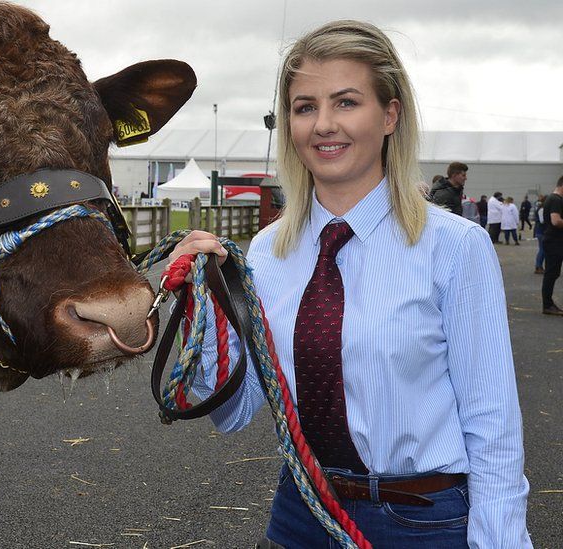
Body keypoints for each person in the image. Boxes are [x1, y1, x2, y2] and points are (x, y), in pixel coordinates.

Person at [170, 20, 531, 547]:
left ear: (389, 114)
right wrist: (206, 311)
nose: (323, 125)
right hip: (301, 512)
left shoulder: (455, 247)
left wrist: (500, 539)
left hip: (422, 522)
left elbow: (492, 421)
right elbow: (235, 409)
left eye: (345, 102)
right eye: (305, 107)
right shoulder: (267, 253)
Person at [541, 176, 563, 315]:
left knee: (552, 273)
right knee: (551, 273)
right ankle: (547, 305)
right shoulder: (555, 199)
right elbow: (556, 221)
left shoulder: (554, 199)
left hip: (555, 241)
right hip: (554, 241)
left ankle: (548, 304)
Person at [534, 195, 546, 274]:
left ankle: (539, 266)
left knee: (543, 249)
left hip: (540, 231)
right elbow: (542, 221)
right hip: (541, 231)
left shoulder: (541, 208)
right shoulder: (542, 209)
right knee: (542, 249)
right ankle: (538, 266)